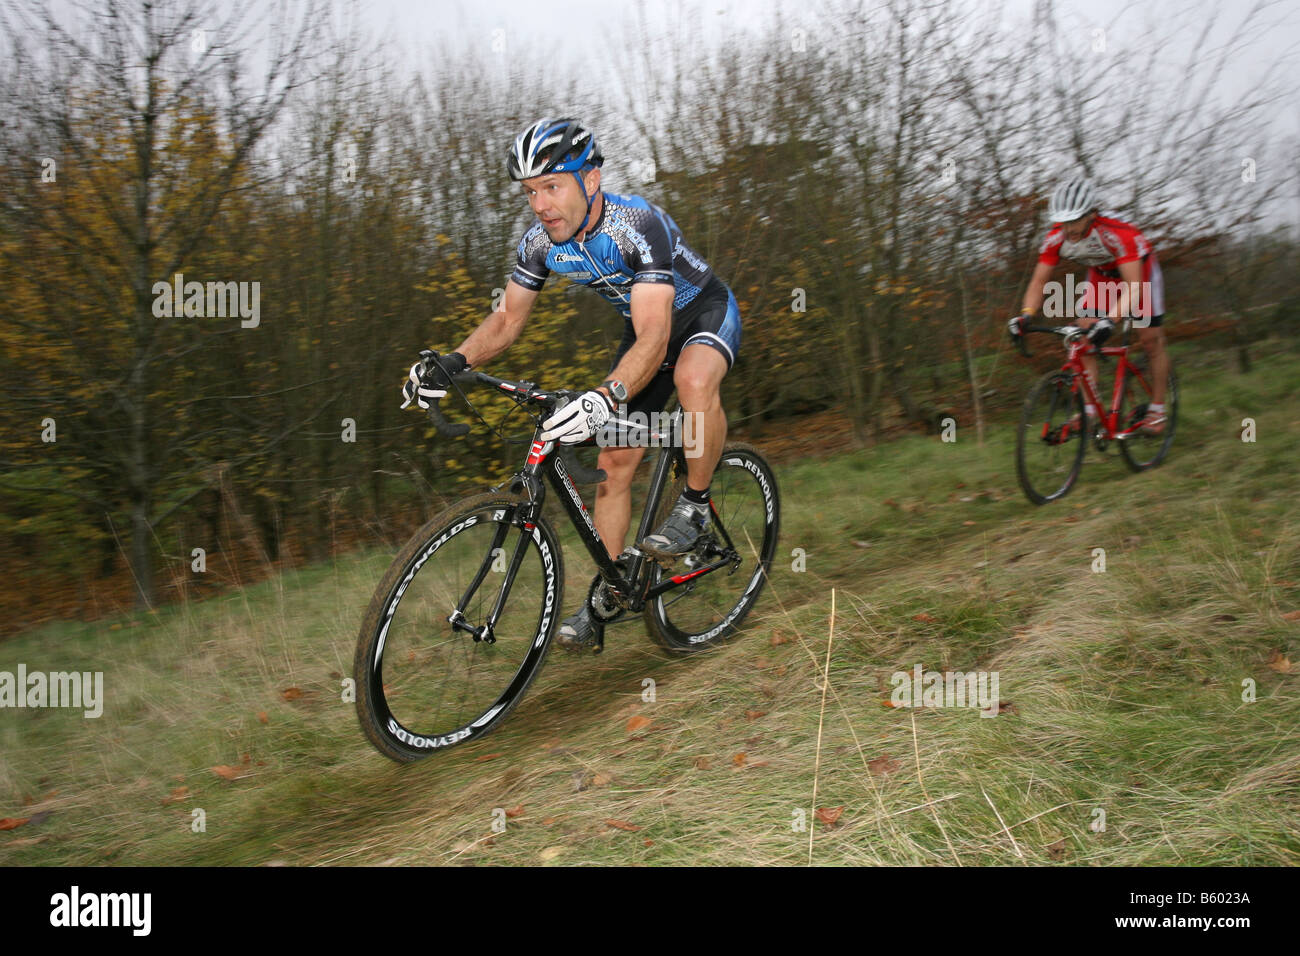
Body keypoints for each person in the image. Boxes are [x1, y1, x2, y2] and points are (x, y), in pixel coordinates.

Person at [407, 117, 742, 651]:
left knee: (693, 376)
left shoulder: (637, 225)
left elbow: (657, 336)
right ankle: (610, 591)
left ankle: (696, 507)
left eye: (552, 186)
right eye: (531, 192)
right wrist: (452, 361)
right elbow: (507, 321)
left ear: (591, 181)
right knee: (613, 463)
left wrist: (606, 394)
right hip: (642, 335)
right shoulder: (541, 244)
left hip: (699, 313)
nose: (541, 204)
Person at [1009, 178, 1170, 434]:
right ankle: (1090, 414)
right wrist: (1025, 315)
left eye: (1075, 220)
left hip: (1139, 276)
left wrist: (1110, 320)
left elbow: (1134, 286)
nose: (1068, 229)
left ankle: (1158, 411)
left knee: (1150, 340)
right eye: (1063, 221)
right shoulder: (1055, 238)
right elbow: (1039, 281)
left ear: (1092, 214)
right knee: (1080, 339)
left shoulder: (1118, 235)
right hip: (1101, 277)